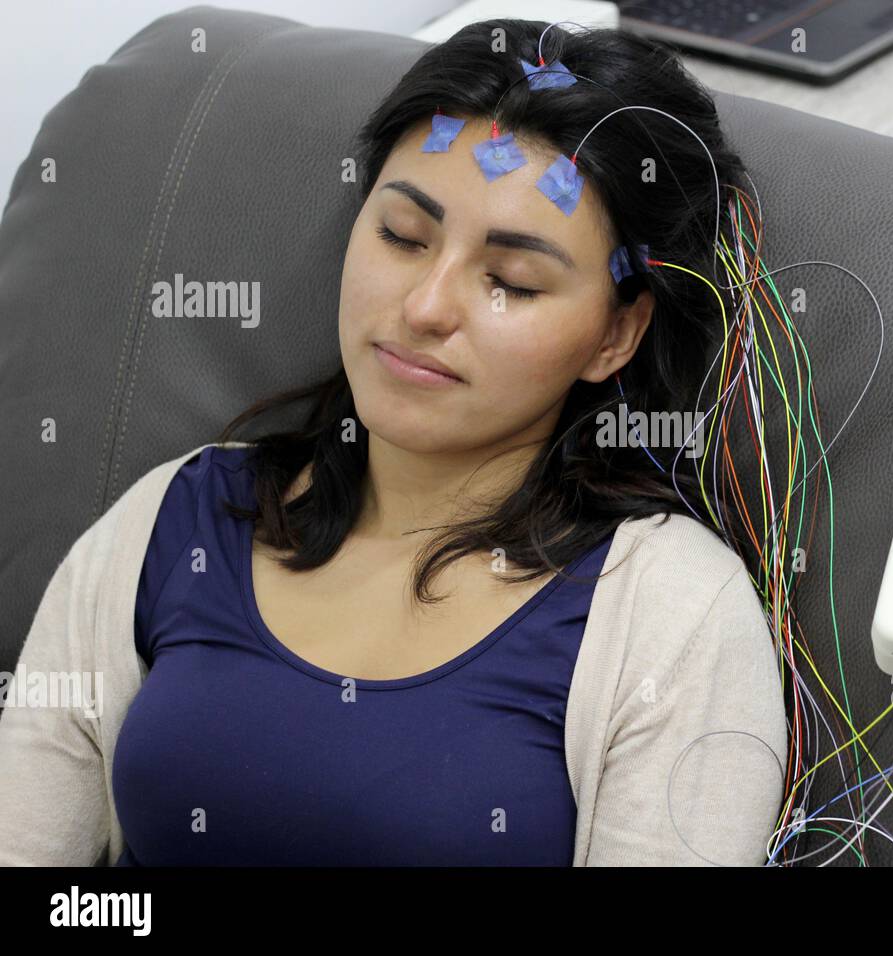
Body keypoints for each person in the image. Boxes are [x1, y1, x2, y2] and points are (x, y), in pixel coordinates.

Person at [0, 19, 789, 866]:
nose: (425, 308)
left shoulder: (671, 615)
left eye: (512, 282)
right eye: (403, 237)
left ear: (616, 336)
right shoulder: (175, 521)